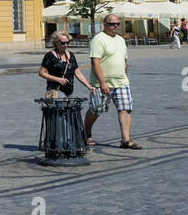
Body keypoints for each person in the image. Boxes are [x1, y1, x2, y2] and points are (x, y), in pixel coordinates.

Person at [85, 14, 139, 149]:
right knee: (96, 109)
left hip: (121, 82)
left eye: (118, 24)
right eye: (112, 24)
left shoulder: (121, 40)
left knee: (125, 108)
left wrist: (125, 76)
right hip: (101, 83)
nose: (115, 26)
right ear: (105, 24)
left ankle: (125, 140)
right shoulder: (98, 39)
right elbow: (95, 62)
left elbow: (125, 60)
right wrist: (102, 82)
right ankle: (86, 133)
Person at [39, 31, 95, 100]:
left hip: (69, 92)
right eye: (63, 43)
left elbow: (78, 73)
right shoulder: (50, 55)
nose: (66, 45)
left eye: (67, 42)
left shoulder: (70, 55)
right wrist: (57, 79)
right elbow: (41, 73)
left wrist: (89, 87)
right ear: (56, 42)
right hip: (55, 91)